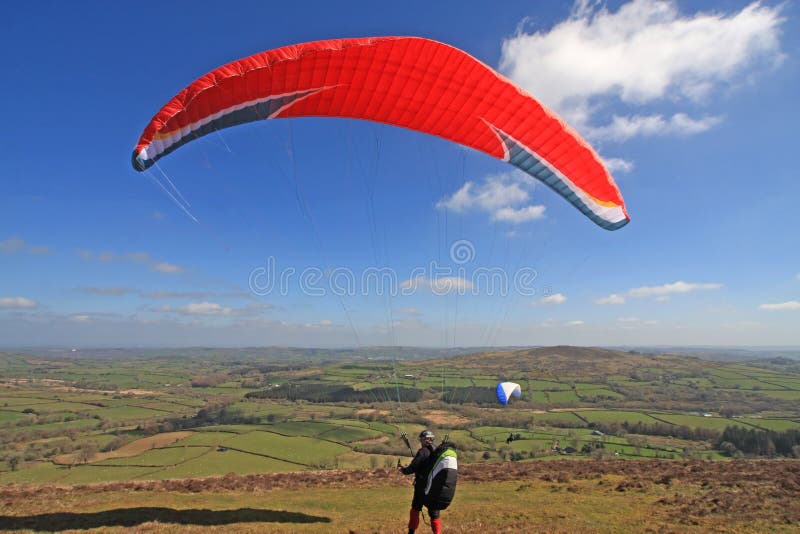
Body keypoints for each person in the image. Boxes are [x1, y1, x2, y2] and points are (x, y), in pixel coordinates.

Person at [398, 429, 441, 534]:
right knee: (434, 513)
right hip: (434, 487)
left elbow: (411, 468)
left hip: (421, 487)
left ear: (424, 440)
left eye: (421, 439)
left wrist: (403, 470)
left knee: (415, 509)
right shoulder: (438, 452)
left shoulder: (423, 452)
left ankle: (411, 532)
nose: (420, 441)